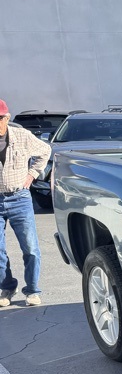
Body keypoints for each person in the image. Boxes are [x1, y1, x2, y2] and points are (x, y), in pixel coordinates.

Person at [0, 98, 51, 307]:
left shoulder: (22, 136)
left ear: (6, 118)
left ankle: (32, 290)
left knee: (30, 247)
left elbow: (45, 151)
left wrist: (32, 174)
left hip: (19, 198)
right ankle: (6, 287)